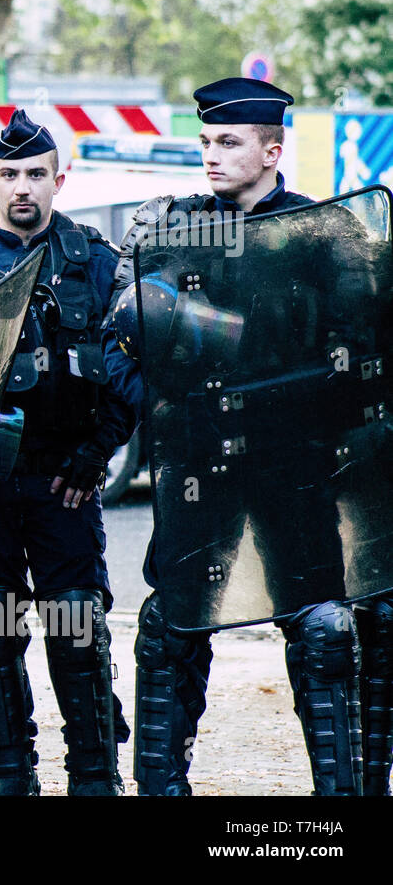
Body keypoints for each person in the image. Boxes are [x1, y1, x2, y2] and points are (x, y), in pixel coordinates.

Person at [110, 77, 393, 796]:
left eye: (228, 143)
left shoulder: (324, 233)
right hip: (199, 458)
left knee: (325, 631)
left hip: (294, 462)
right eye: (206, 141)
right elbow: (117, 344)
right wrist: (163, 405)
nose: (212, 155)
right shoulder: (170, 229)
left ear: (272, 149)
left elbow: (368, 351)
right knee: (171, 627)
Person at [0, 110, 136, 795]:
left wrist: (100, 450)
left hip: (66, 479)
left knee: (75, 622)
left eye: (37, 174)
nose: (23, 187)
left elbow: (132, 367)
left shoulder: (100, 261)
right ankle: (8, 772)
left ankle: (93, 773)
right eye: (11, 175)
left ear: (61, 178)